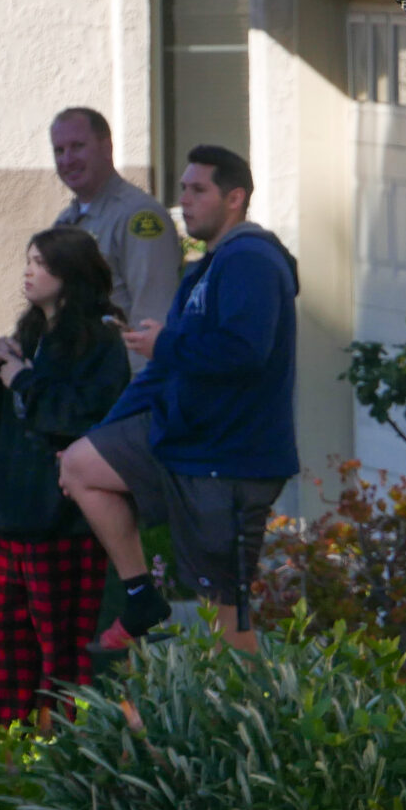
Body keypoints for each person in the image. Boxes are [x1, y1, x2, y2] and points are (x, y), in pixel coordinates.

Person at [59, 144, 300, 652]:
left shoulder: (252, 261)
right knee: (81, 465)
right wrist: (100, 434)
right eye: (183, 189)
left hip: (231, 461)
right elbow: (162, 369)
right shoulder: (205, 268)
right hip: (185, 443)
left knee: (228, 624)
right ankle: (141, 594)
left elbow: (244, 352)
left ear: (235, 198)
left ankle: (254, 724)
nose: (184, 200)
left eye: (198, 189)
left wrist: (163, 343)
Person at [0, 227, 132, 726]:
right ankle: (4, 748)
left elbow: (78, 417)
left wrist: (25, 381)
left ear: (69, 274)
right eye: (28, 260)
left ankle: (65, 758)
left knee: (63, 654)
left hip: (64, 525)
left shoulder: (99, 339)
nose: (28, 271)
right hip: (9, 521)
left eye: (41, 263)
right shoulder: (31, 332)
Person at [49, 106, 184, 358]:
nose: (67, 160)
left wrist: (135, 394)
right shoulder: (65, 222)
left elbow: (151, 322)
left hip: (117, 386)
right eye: (59, 150)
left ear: (106, 148)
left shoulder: (140, 217)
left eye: (78, 146)